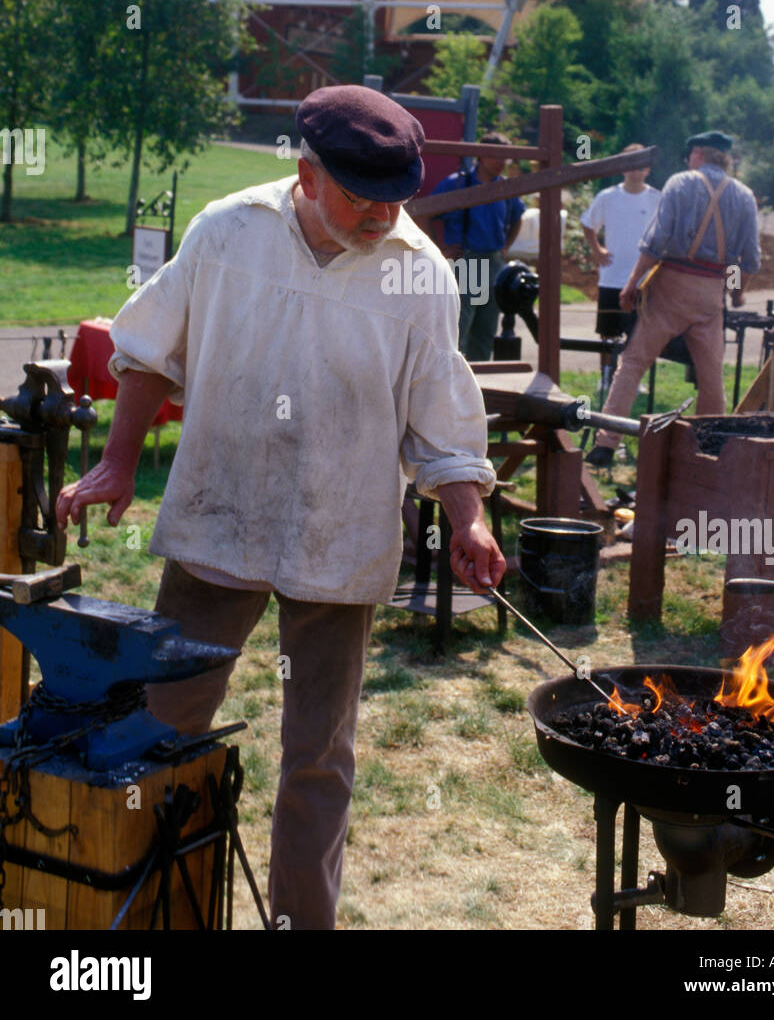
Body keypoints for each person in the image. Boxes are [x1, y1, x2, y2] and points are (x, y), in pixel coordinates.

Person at [56, 85, 506, 931]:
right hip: (219, 517)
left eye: (393, 199)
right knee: (164, 730)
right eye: (359, 196)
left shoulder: (420, 275)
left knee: (318, 759)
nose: (379, 216)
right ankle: (151, 915)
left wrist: (468, 514)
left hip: (340, 538)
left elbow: (442, 416)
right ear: (306, 171)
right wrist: (119, 462)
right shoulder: (227, 231)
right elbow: (148, 348)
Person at [585, 130, 760, 467]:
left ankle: (606, 443)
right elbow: (745, 259)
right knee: (711, 376)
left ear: (697, 154)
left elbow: (655, 243)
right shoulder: (744, 195)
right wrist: (736, 292)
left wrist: (632, 284)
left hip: (671, 287)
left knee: (633, 363)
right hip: (711, 293)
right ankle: (709, 447)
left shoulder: (680, 183)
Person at [428, 132, 525, 361]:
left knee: (487, 329)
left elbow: (518, 217)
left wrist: (506, 247)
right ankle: (452, 385)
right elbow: (424, 214)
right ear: (481, 156)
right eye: (496, 156)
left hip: (495, 262)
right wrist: (439, 249)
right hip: (468, 261)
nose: (502, 163)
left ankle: (480, 386)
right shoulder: (458, 183)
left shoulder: (505, 188)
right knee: (460, 328)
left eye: (506, 158)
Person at [580, 143, 661, 341]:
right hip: (612, 277)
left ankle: (631, 374)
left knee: (640, 339)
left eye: (641, 165)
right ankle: (606, 372)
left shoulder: (657, 198)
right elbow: (588, 224)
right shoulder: (607, 197)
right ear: (622, 167)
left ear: (648, 169)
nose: (636, 171)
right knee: (608, 336)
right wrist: (596, 249)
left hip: (644, 281)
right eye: (631, 165)